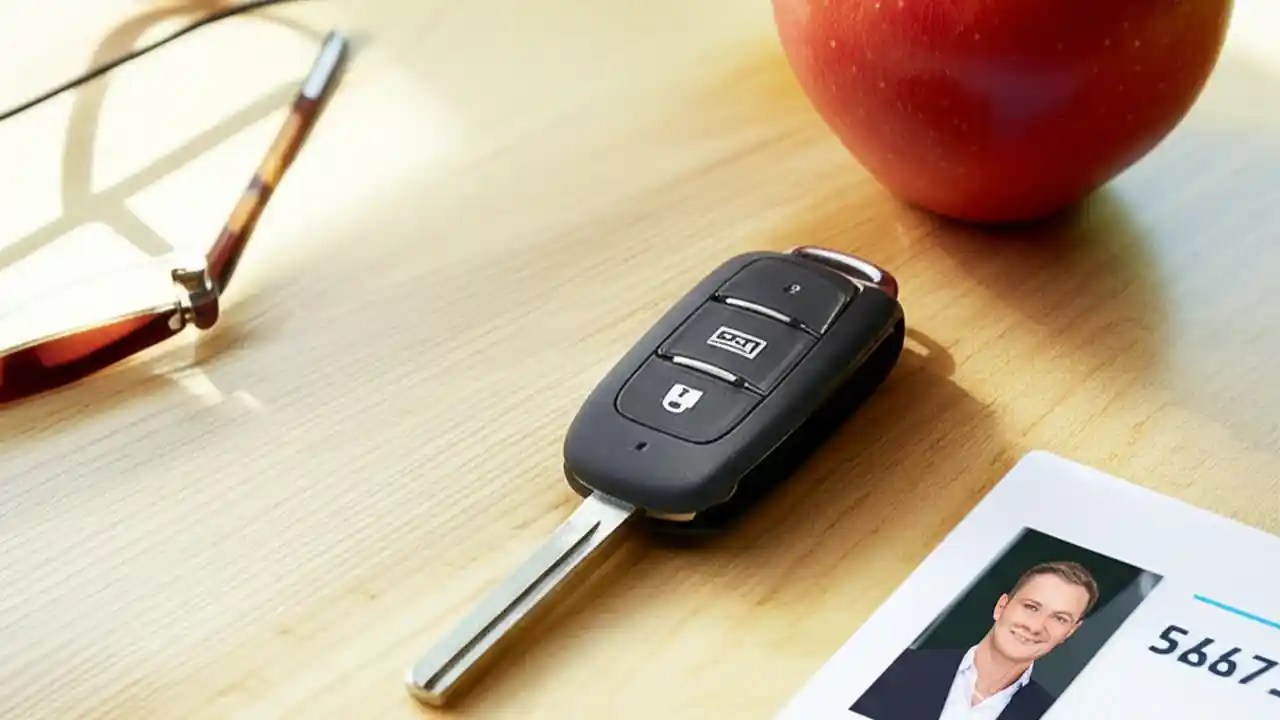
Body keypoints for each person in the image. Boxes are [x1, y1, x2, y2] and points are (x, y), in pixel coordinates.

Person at [850, 561, 1099, 720]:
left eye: (1059, 618)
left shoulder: (1053, 714)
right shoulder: (892, 669)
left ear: (1069, 632)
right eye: (1031, 607)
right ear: (1002, 606)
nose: (1035, 626)